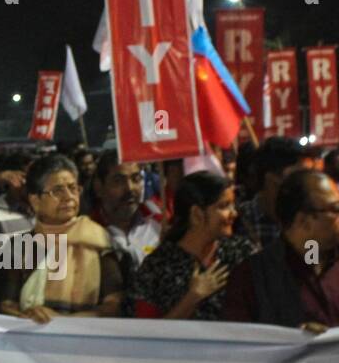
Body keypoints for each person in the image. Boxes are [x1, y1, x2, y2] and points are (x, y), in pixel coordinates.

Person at [223, 169, 339, 329]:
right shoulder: (254, 277)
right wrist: (294, 340)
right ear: (303, 220)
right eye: (335, 209)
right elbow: (240, 341)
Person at [0, 154, 123, 321]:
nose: (69, 197)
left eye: (73, 188)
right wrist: (28, 318)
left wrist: (61, 322)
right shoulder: (18, 246)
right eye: (57, 191)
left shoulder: (99, 241)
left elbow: (114, 305)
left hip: (86, 341)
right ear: (35, 201)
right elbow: (6, 303)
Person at [131, 171, 256, 320]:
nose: (234, 213)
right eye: (224, 206)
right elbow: (148, 336)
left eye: (232, 205)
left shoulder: (241, 253)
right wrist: (192, 298)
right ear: (197, 214)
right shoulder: (158, 266)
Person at [90, 151, 162, 289]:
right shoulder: (87, 231)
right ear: (99, 187)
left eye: (136, 179)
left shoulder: (159, 223)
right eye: (118, 181)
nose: (130, 188)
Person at [234, 136, 307, 247]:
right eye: (298, 175)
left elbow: (313, 261)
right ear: (272, 178)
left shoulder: (308, 218)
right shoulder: (238, 220)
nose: (305, 182)